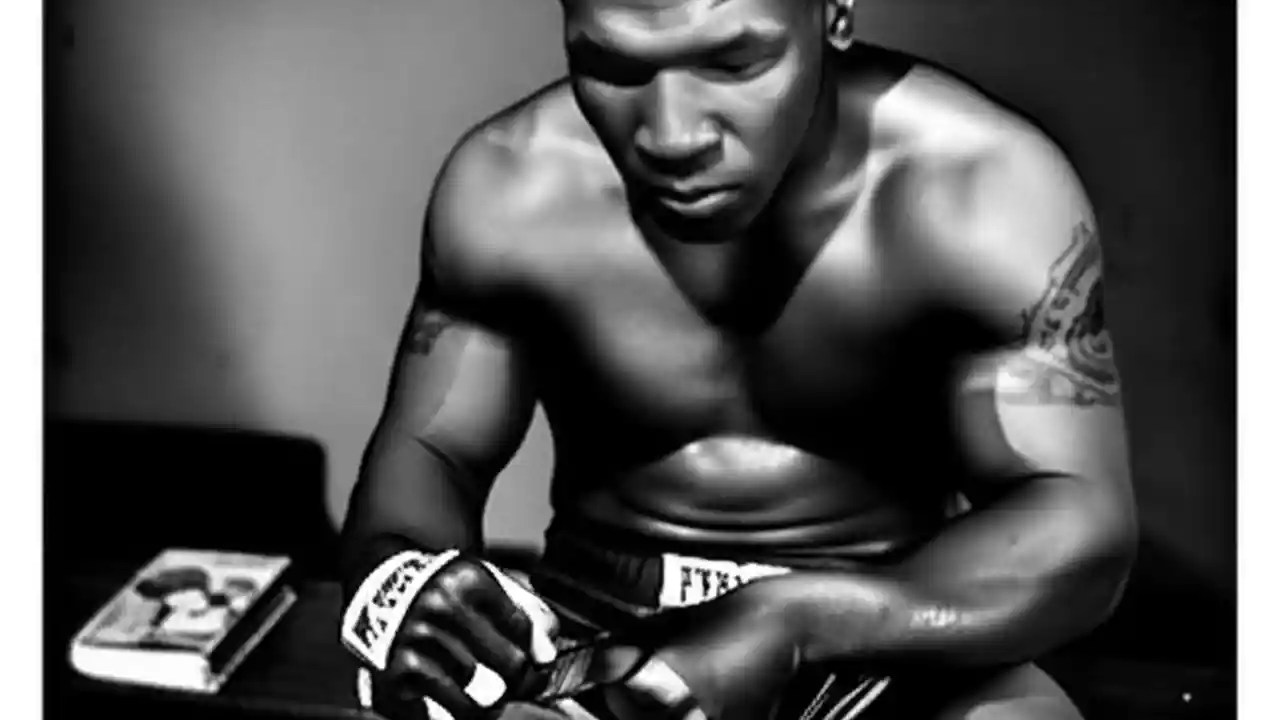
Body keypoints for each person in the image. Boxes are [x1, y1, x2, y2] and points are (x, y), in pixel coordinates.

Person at [337, 0, 1137, 718]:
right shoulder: (511, 186)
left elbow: (1080, 521)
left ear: (834, 10)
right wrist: (406, 583)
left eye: (733, 62)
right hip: (595, 634)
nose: (672, 134)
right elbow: (432, 449)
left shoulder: (980, 186)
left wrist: (795, 620)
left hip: (890, 628)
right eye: (612, 65)